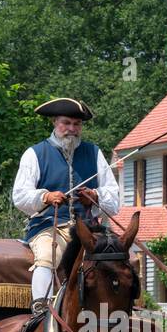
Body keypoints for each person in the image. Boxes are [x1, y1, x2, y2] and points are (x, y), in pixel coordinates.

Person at [12, 97, 120, 314]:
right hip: (48, 227)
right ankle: (40, 310)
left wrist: (95, 195)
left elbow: (115, 197)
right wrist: (45, 197)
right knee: (46, 256)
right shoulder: (35, 153)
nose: (72, 129)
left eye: (76, 124)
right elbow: (19, 195)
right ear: (55, 122)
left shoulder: (94, 153)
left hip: (88, 229)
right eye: (66, 123)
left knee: (115, 258)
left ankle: (116, 309)